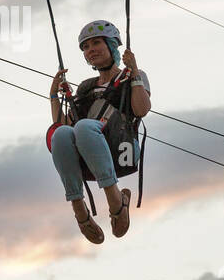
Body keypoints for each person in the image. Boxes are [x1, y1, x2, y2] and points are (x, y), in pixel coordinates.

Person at [48, 20, 151, 244]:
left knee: (85, 127)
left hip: (120, 146)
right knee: (62, 134)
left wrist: (133, 72)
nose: (90, 49)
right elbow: (66, 125)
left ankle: (115, 201)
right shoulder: (86, 87)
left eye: (96, 43)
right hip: (91, 152)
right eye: (85, 47)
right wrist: (55, 97)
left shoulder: (133, 75)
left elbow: (141, 110)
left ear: (112, 46)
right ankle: (79, 210)